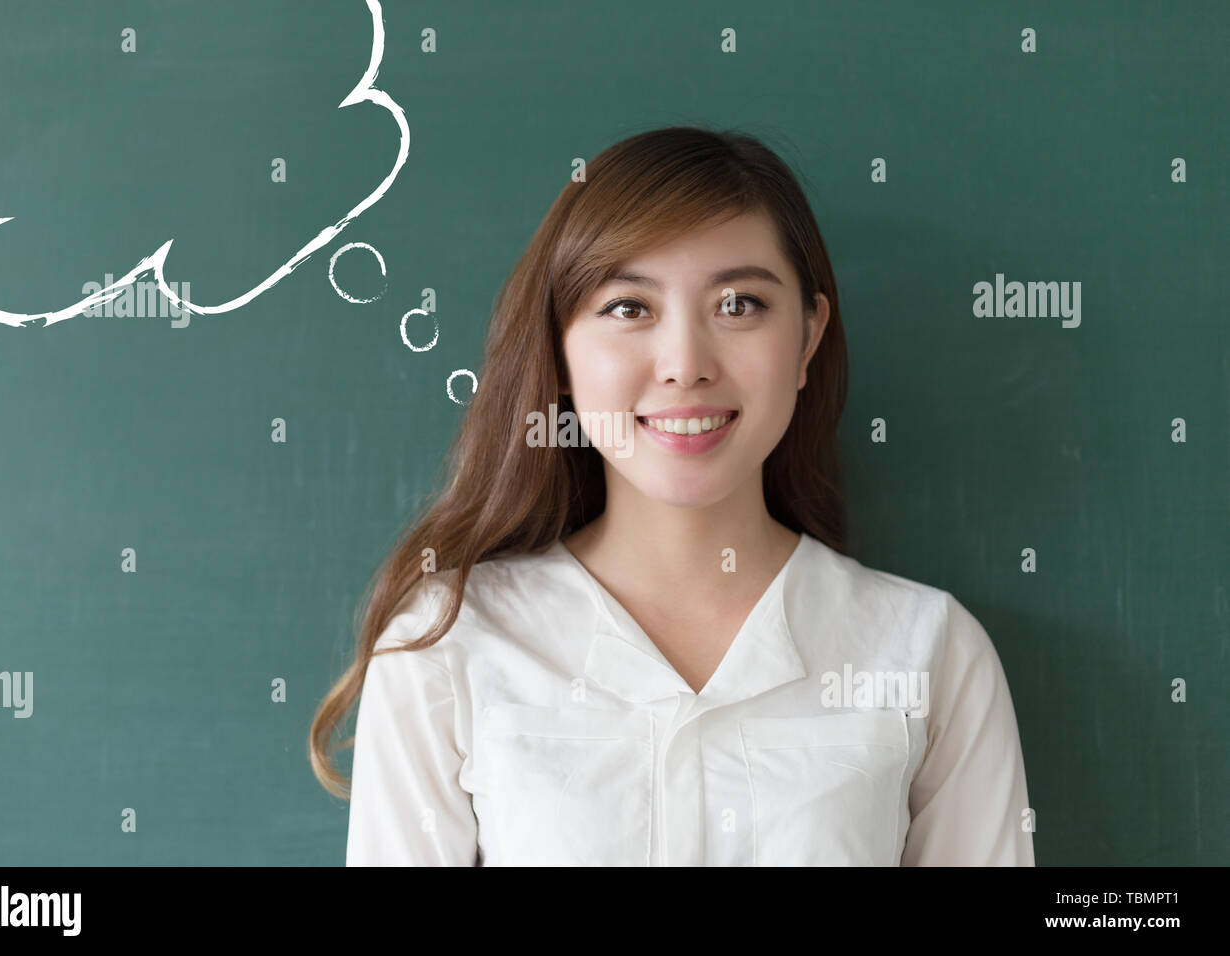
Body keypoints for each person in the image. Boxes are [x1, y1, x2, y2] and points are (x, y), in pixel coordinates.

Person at [310, 125, 1035, 866]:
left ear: (808, 341)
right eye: (629, 308)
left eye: (739, 305)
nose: (685, 365)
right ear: (558, 350)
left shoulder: (930, 653)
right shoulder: (446, 644)